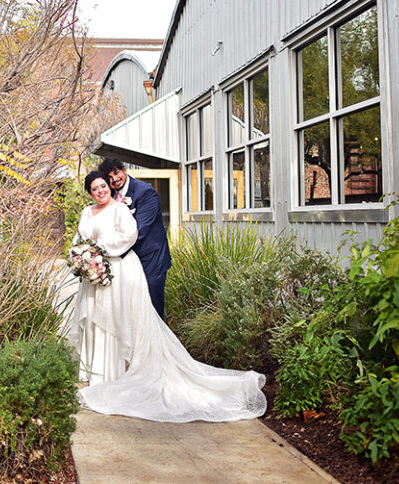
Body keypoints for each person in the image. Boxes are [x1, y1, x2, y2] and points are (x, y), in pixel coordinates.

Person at [64, 170, 266, 423]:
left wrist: (99, 249)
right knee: (95, 316)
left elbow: (129, 236)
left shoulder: (120, 209)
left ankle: (113, 371)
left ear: (109, 187)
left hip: (118, 270)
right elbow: (79, 237)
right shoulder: (86, 212)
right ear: (90, 191)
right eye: (95, 188)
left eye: (104, 186)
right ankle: (93, 371)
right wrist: (82, 255)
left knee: (115, 318)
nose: (101, 191)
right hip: (94, 273)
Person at [98, 158, 170, 319]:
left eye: (116, 173)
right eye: (109, 177)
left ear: (123, 169)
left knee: (153, 305)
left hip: (152, 258)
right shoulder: (110, 196)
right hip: (129, 260)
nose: (114, 179)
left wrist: (108, 250)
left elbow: (139, 231)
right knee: (132, 307)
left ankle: (157, 343)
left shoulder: (145, 192)